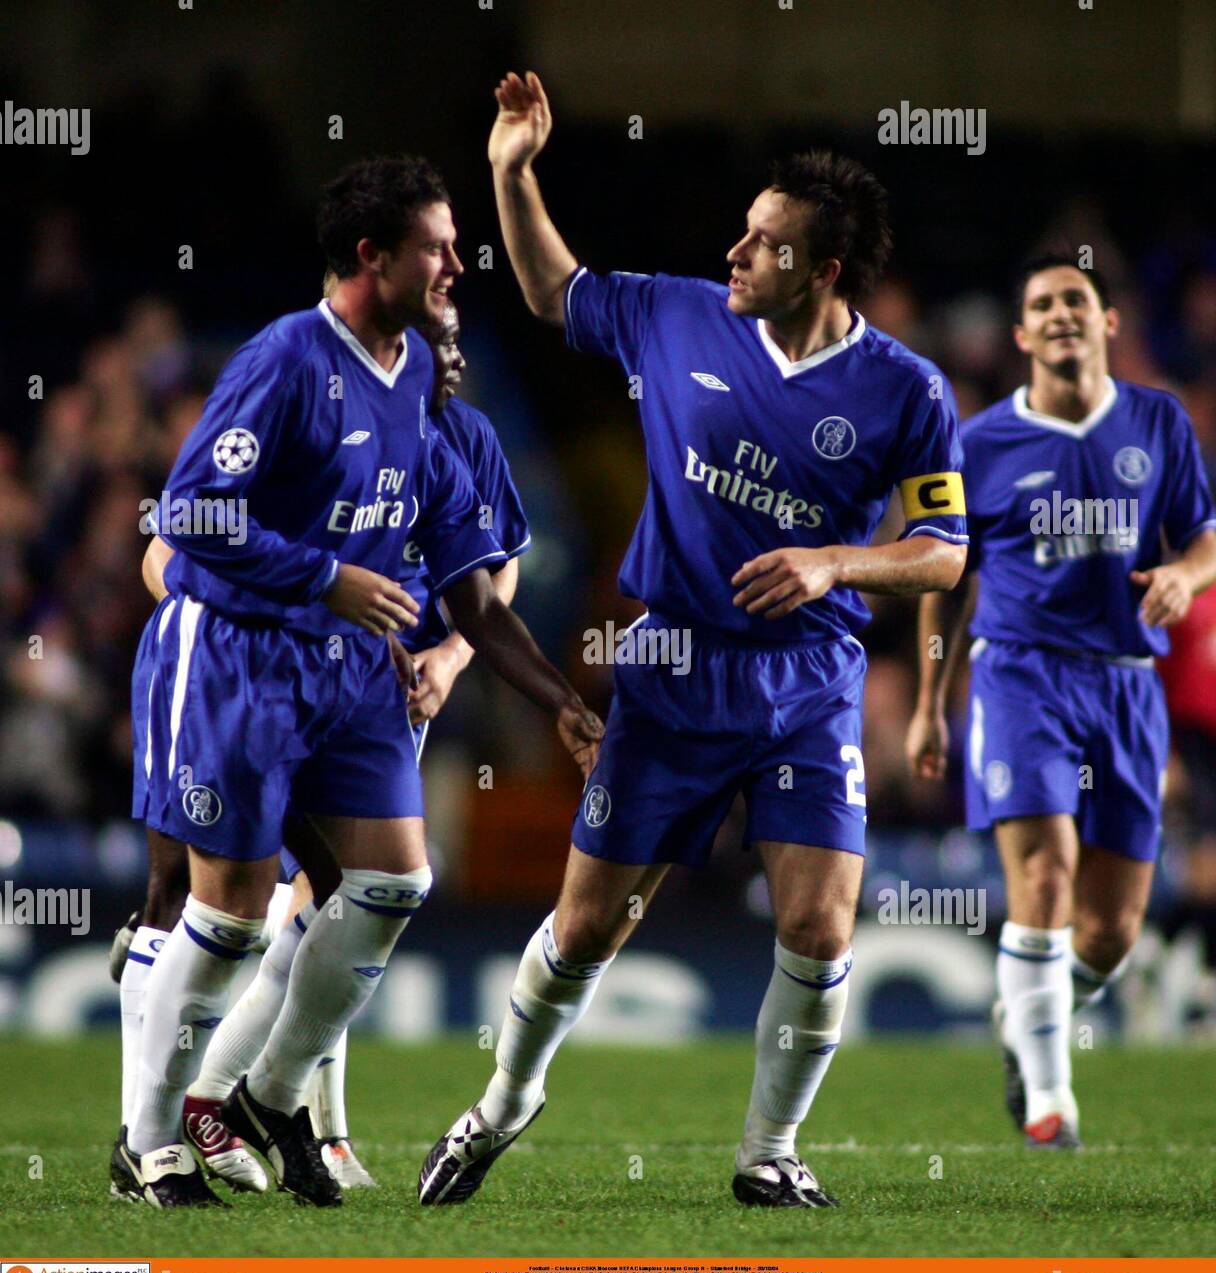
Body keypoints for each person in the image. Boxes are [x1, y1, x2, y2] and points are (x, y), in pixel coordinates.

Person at [416, 73, 967, 1211]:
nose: (735, 250)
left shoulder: (903, 390)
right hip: (671, 665)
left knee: (816, 924)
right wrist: (512, 170)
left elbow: (944, 550)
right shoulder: (673, 315)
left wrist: (833, 562)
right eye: (742, 230)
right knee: (581, 933)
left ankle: (769, 1150)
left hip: (806, 679)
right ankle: (501, 1105)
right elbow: (551, 288)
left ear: (818, 270)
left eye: (762, 244)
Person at [120, 153, 602, 1209]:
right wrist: (324, 577)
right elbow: (192, 513)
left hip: (348, 675)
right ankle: (149, 1140)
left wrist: (563, 701)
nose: (455, 265)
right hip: (240, 656)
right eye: (436, 246)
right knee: (231, 915)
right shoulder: (286, 357)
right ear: (372, 256)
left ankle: (268, 1093)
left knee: (392, 879)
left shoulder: (416, 390)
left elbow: (477, 597)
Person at [181, 298, 532, 1191]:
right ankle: (203, 1110)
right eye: (432, 340)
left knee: (336, 899)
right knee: (255, 901)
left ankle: (278, 1116)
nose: (445, 357)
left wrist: (452, 659)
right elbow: (186, 528)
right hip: (265, 668)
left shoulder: (468, 437)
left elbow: (500, 565)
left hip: (382, 693)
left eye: (456, 344)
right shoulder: (314, 396)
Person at [907, 255, 1216, 1147]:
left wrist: (1184, 578)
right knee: (1041, 875)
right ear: (1020, 335)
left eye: (1075, 302)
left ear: (1107, 323)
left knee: (1114, 931)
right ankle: (1051, 1099)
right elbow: (944, 575)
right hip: (1020, 673)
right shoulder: (976, 443)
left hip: (1126, 682)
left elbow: (1206, 540)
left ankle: (1027, 1013)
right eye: (1041, 304)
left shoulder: (1158, 422)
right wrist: (932, 701)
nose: (1059, 315)